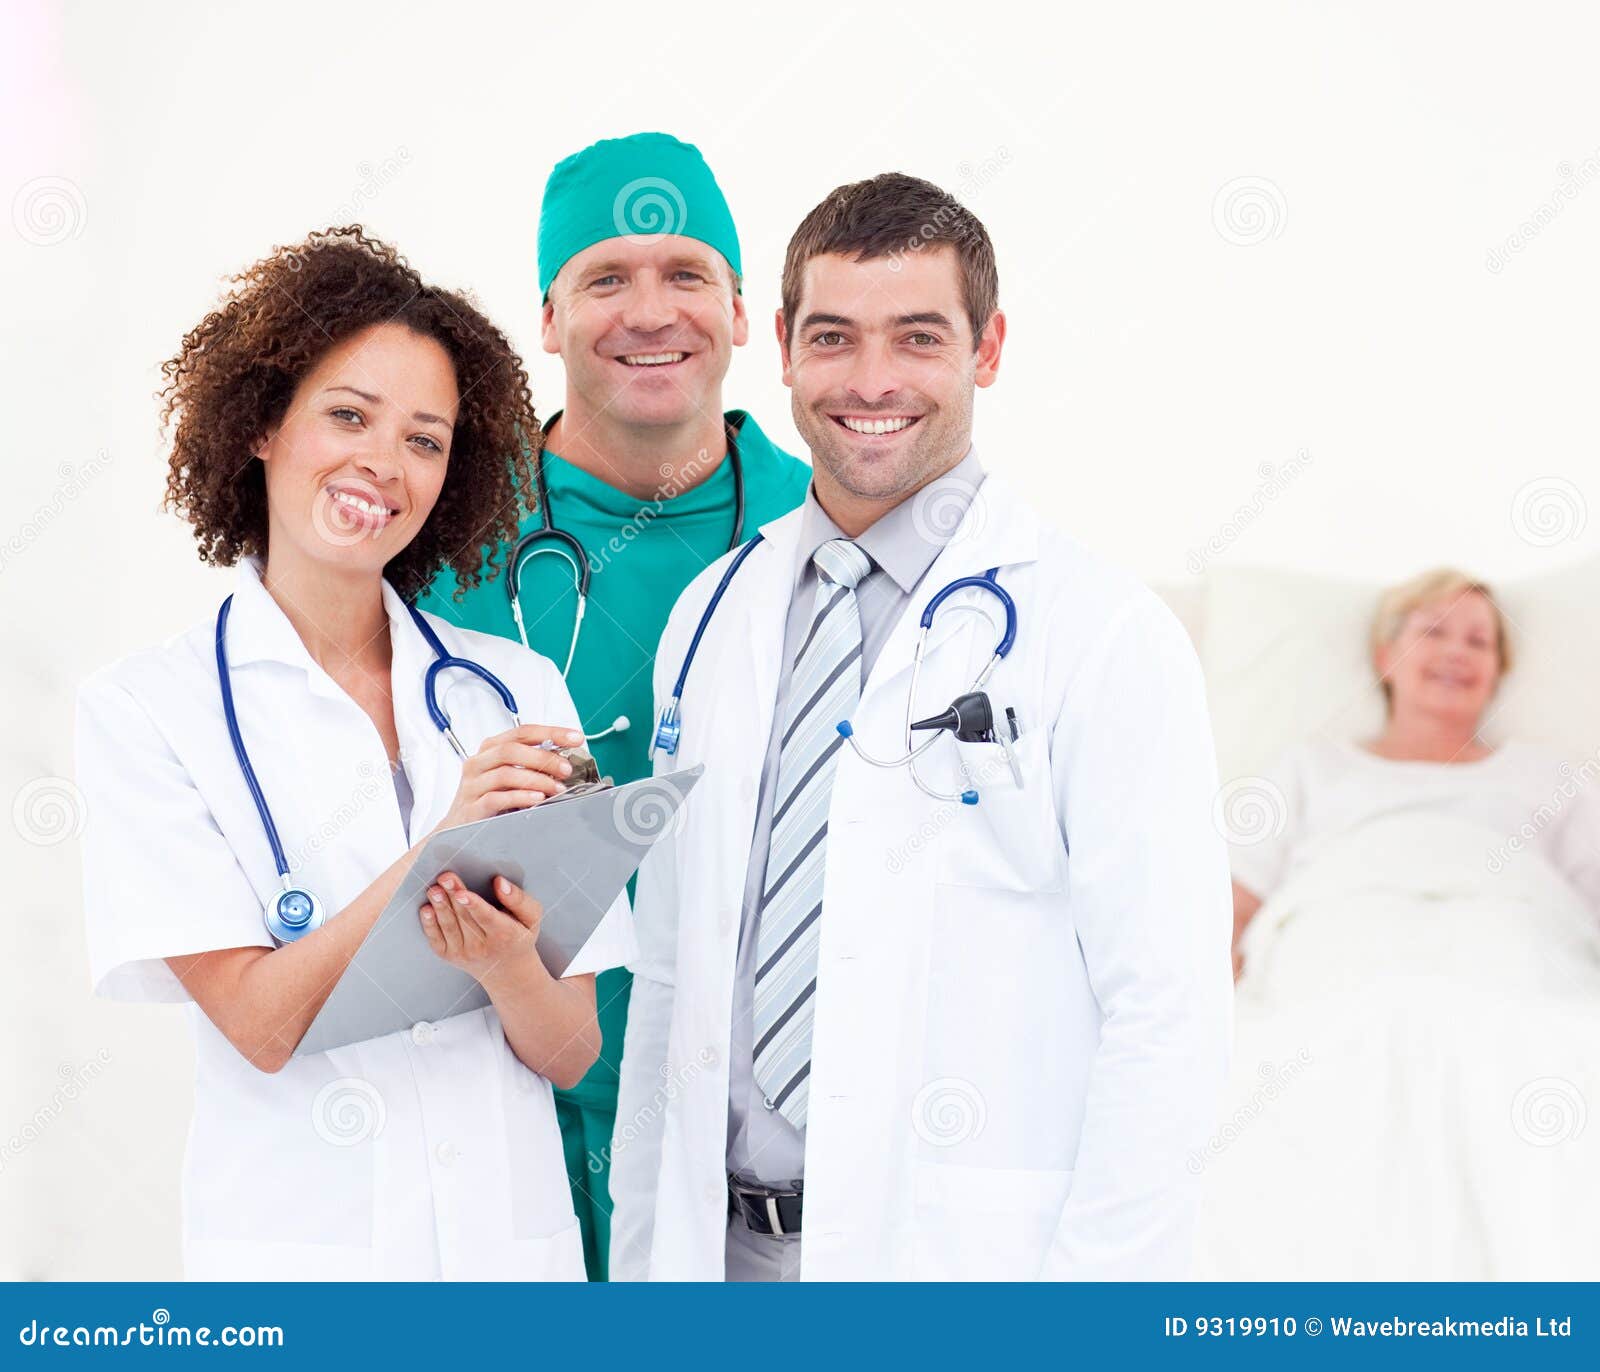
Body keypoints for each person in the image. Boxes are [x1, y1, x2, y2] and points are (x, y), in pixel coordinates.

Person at [609, 174, 1233, 1281]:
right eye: (835, 338)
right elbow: (668, 972)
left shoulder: (1098, 633)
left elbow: (1167, 1017)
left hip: (962, 1266)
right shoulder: (710, 616)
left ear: (987, 350)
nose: (872, 382)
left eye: (918, 337)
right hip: (719, 1255)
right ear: (786, 352)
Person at [76, 227, 634, 1281]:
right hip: (302, 1272)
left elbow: (570, 1051)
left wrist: (508, 960)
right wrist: (443, 846)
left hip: (510, 1270)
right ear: (261, 426)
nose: (383, 462)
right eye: (347, 415)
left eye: (426, 439)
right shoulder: (149, 710)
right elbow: (263, 1026)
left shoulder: (516, 691)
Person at [416, 132, 809, 1280]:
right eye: (605, 279)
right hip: (496, 1087)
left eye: (686, 274)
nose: (651, 312)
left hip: (748, 1120)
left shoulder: (826, 528)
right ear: (547, 316)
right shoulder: (442, 533)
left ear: (741, 313)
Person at [1199, 569, 1600, 1279]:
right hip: (1341, 936)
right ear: (1385, 659)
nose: (1457, 650)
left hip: (1509, 937)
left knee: (1507, 1044)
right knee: (1349, 1043)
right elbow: (1228, 913)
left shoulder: (1551, 778)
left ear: (1499, 671)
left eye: (1479, 640)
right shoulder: (1312, 769)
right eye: (1434, 631)